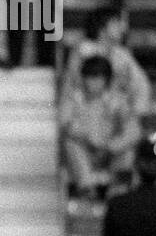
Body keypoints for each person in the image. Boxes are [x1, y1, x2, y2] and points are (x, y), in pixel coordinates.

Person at [59, 55, 140, 199]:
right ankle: (87, 188)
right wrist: (88, 138)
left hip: (109, 153)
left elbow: (133, 131)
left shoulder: (117, 100)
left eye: (97, 78)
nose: (91, 83)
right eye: (89, 77)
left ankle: (117, 192)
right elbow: (65, 123)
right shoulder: (74, 98)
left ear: (106, 79)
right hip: (85, 153)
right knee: (70, 143)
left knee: (128, 150)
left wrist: (113, 146)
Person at [62, 7, 151, 117]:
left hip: (116, 116)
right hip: (85, 115)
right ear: (102, 27)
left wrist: (137, 113)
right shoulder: (82, 50)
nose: (121, 29)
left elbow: (141, 85)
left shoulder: (122, 54)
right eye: (115, 24)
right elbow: (74, 87)